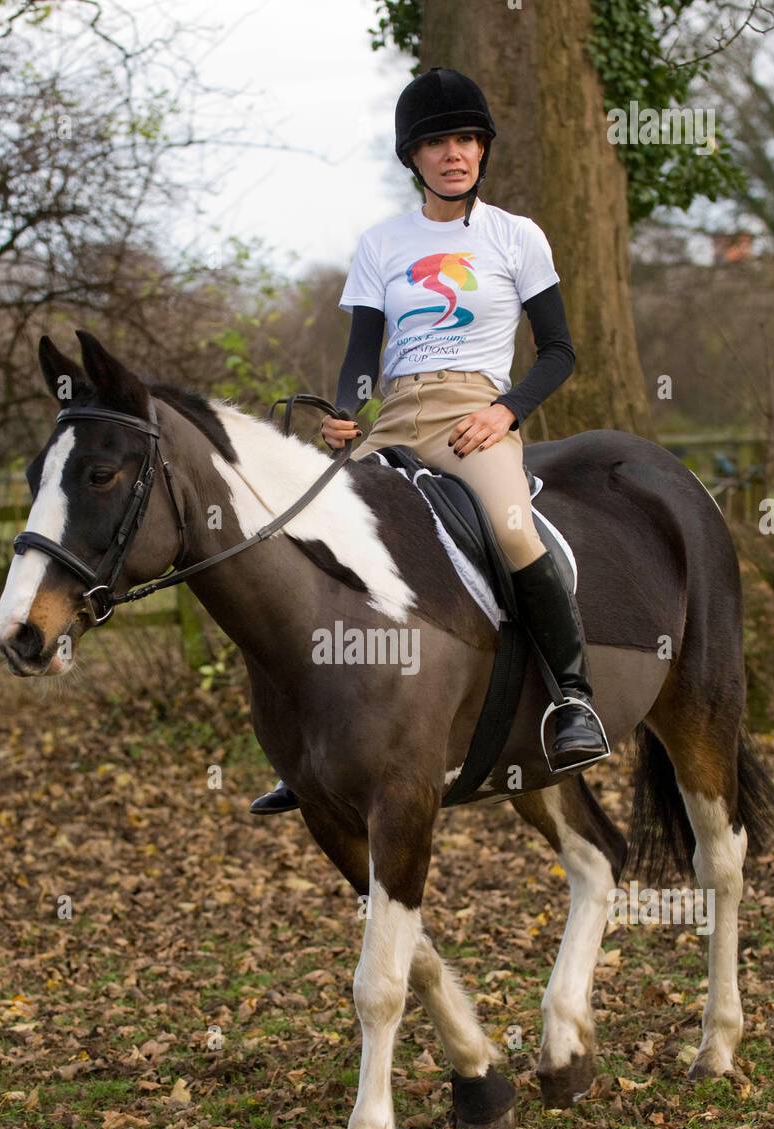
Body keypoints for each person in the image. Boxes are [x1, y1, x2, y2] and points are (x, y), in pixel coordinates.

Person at [251, 66, 609, 815]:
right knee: (309, 541)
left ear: (482, 150)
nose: (456, 153)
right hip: (394, 418)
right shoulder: (381, 243)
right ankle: (310, 740)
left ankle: (572, 701)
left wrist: (506, 412)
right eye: (439, 142)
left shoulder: (517, 236)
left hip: (472, 413)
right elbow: (359, 358)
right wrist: (346, 413)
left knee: (512, 532)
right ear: (412, 157)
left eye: (468, 140)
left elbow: (558, 353)